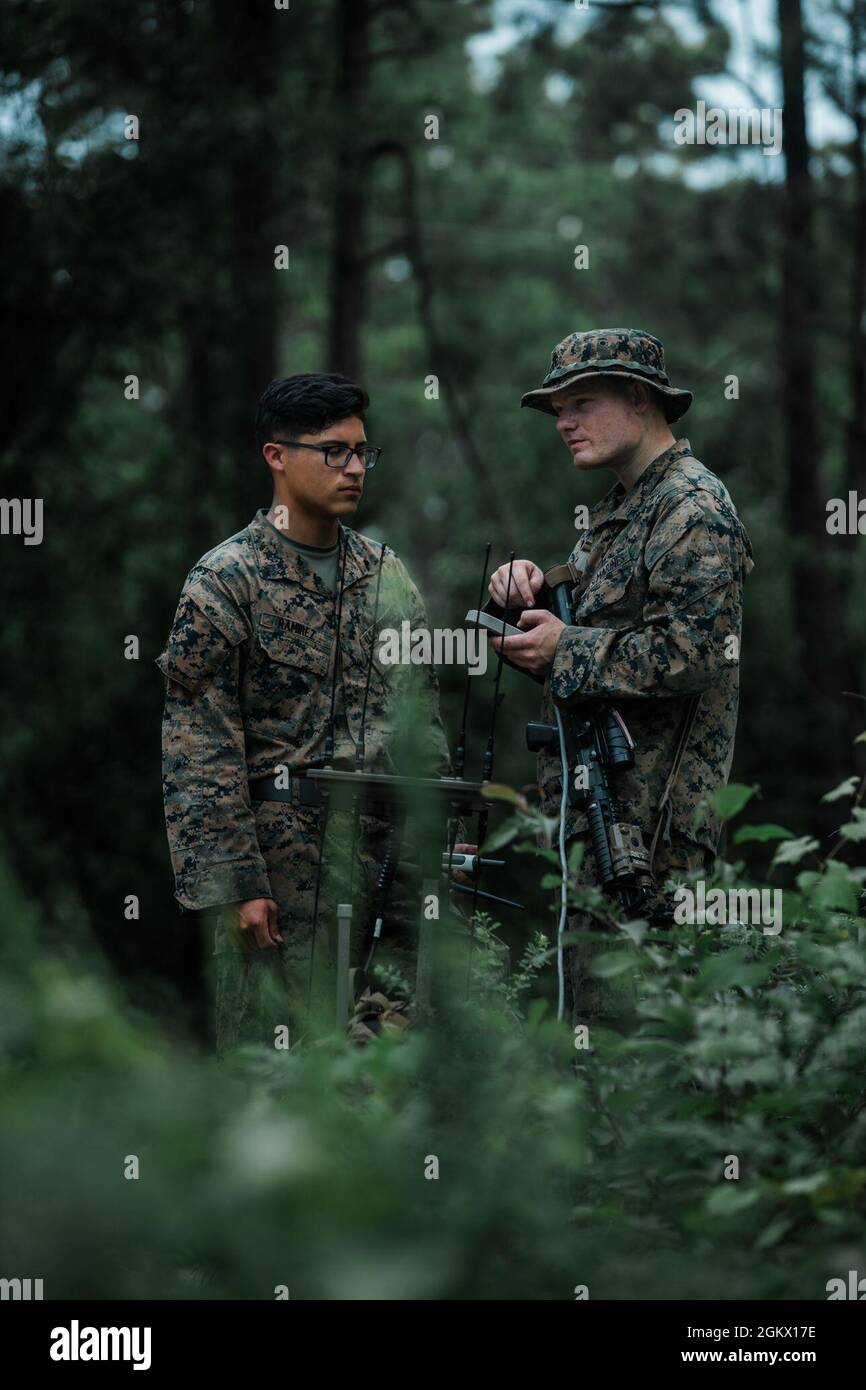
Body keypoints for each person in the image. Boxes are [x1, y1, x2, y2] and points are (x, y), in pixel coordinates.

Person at [157, 372, 473, 1051]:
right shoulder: (226, 581)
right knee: (275, 1075)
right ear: (277, 455)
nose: (355, 468)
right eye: (335, 451)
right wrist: (237, 884)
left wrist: (443, 851)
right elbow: (200, 747)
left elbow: (426, 728)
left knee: (389, 1067)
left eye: (363, 452)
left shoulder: (388, 579)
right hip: (283, 878)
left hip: (391, 874)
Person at [487, 328, 754, 1025]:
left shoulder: (692, 510)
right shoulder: (620, 511)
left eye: (580, 402)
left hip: (655, 841)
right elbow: (603, 641)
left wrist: (566, 648)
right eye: (556, 411)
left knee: (644, 1044)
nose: (564, 422)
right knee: (596, 1046)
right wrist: (534, 598)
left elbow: (691, 654)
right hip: (602, 825)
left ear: (638, 399)